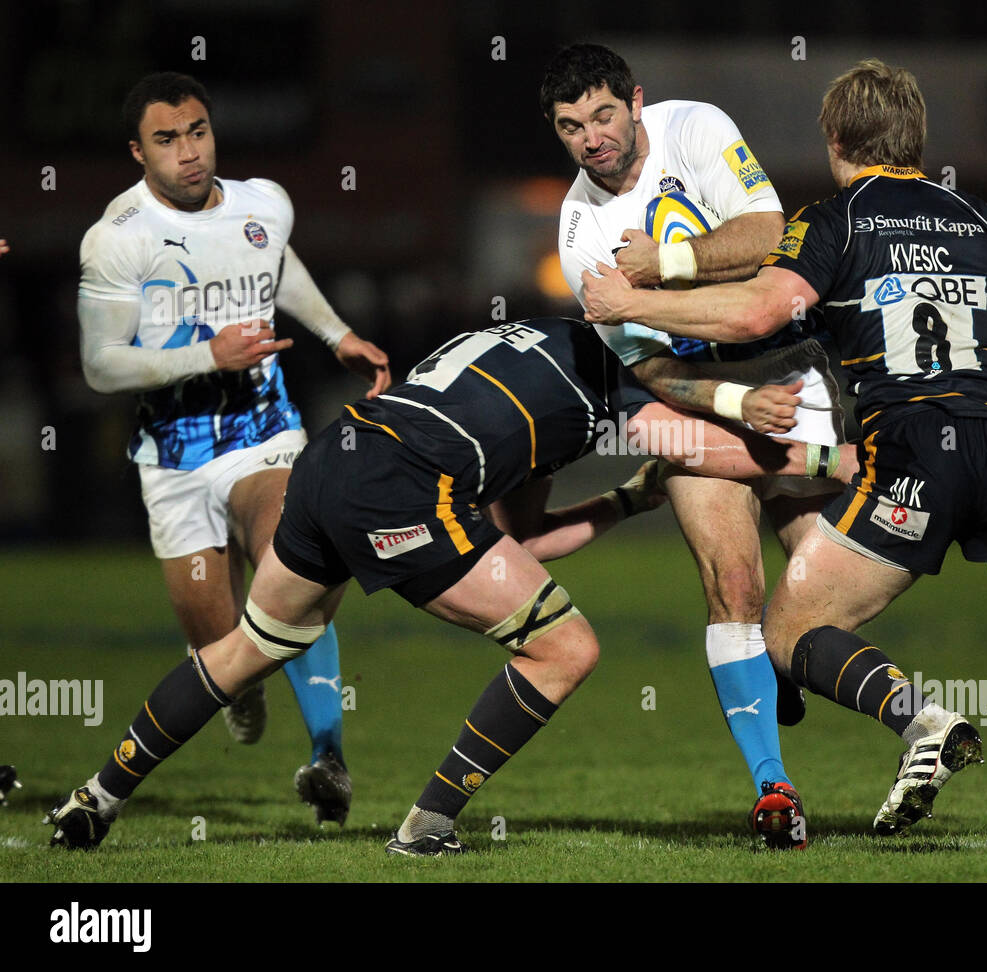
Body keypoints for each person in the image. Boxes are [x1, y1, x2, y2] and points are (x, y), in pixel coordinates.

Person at [582, 59, 987, 846]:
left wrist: (634, 302)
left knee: (789, 629)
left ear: (835, 140)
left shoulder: (835, 221)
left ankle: (922, 719)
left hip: (915, 455)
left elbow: (759, 314)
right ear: (917, 139)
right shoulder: (981, 218)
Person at [46, 316, 851, 855]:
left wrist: (628, 498)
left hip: (332, 462)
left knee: (250, 646)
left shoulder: (528, 335)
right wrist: (836, 460)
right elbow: (732, 458)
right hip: (403, 487)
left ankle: (95, 796)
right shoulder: (626, 391)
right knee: (565, 650)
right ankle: (426, 824)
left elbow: (526, 536)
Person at [542, 43, 844, 849]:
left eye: (603, 115)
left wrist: (665, 265)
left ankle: (830, 687)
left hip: (790, 363)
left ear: (635, 102)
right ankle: (773, 788)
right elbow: (649, 368)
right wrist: (739, 403)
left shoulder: (695, 128)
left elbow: (769, 231)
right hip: (712, 399)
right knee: (733, 585)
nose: (591, 138)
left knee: (816, 598)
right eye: (571, 127)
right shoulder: (578, 231)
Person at [76, 72, 391, 826]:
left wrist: (337, 334)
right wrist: (205, 355)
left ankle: (329, 758)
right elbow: (100, 364)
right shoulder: (118, 237)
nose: (188, 151)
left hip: (264, 432)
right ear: (136, 151)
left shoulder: (263, 202)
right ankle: (238, 688)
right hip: (175, 458)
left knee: (295, 566)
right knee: (223, 649)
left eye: (197, 132)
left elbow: (275, 264)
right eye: (166, 139)